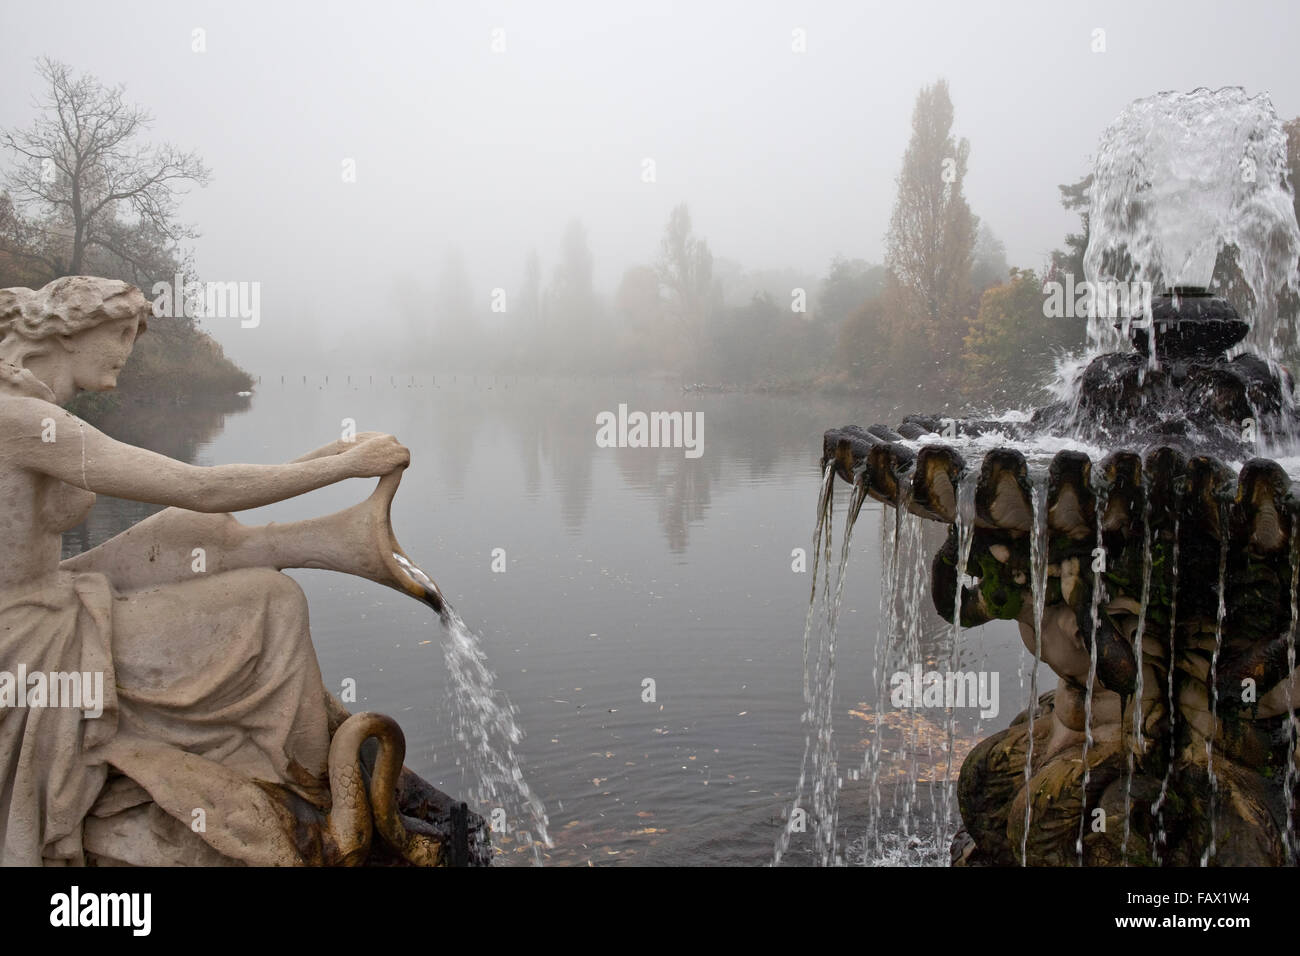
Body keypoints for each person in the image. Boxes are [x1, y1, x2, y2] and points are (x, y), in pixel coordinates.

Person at [0, 275, 408, 865]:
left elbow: (201, 496)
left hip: (54, 603)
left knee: (191, 540)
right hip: (35, 640)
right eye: (118, 334)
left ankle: (305, 781)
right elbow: (201, 485)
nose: (125, 352)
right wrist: (346, 467)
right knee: (273, 603)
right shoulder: (29, 423)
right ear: (71, 331)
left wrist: (323, 457)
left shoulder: (29, 413)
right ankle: (311, 793)